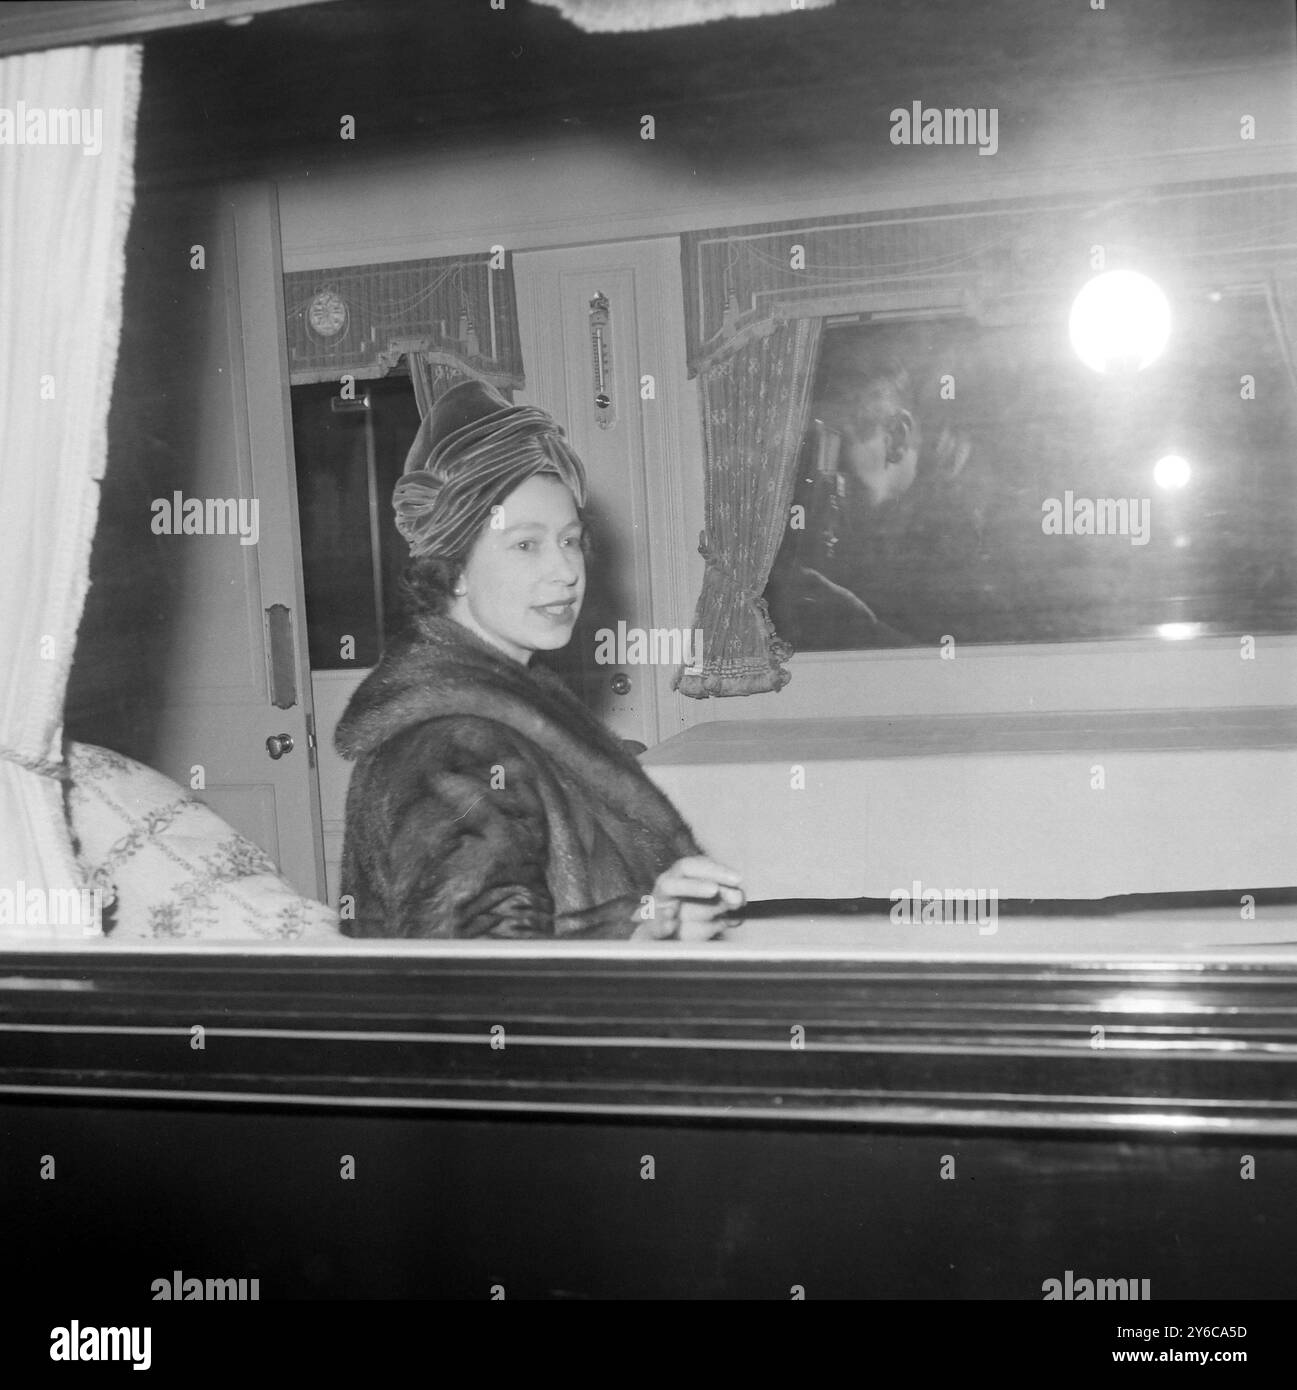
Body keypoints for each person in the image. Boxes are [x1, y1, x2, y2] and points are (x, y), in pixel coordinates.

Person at [335, 379, 744, 941]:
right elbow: (485, 984)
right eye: (527, 544)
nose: (567, 571)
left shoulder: (512, 710)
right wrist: (644, 933)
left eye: (570, 540)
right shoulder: (455, 748)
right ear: (453, 568)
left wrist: (655, 923)